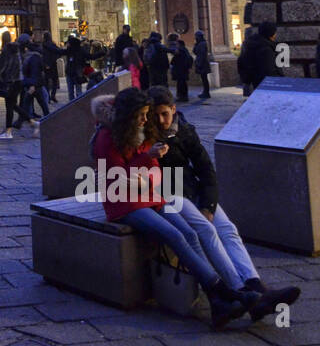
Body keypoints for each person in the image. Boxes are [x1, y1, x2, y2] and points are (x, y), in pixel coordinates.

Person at [89, 87, 253, 330]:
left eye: (147, 114)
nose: (146, 120)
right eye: (142, 115)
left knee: (190, 233)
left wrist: (149, 170)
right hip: (125, 203)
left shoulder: (141, 132)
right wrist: (146, 164)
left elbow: (156, 170)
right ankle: (221, 291)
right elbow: (118, 179)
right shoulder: (106, 138)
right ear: (128, 115)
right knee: (174, 235)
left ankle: (217, 300)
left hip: (150, 196)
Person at [143, 85, 301, 320]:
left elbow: (206, 170)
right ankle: (241, 290)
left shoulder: (184, 130)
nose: (160, 120)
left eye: (165, 114)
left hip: (192, 190)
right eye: (155, 115)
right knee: (206, 231)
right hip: (169, 193)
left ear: (174, 110)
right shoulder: (146, 136)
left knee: (227, 229)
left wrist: (208, 205)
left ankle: (255, 284)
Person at [0, 31, 26, 136]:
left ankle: (8, 132)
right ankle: (32, 122)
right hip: (18, 80)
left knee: (10, 106)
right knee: (12, 105)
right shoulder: (16, 49)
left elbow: (1, 67)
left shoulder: (6, 49)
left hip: (10, 81)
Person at [237, 21, 281, 93]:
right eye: (275, 33)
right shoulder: (266, 48)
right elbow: (269, 69)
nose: (275, 35)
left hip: (251, 82)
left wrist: (245, 79)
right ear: (271, 34)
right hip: (266, 85)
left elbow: (240, 62)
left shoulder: (248, 44)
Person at [40, 31, 64, 104]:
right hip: (53, 65)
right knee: (54, 81)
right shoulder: (53, 44)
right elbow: (58, 52)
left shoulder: (43, 45)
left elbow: (43, 56)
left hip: (47, 66)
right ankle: (53, 96)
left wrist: (45, 64)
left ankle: (49, 97)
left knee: (47, 82)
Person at [64, 35, 87, 100]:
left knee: (75, 92)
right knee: (76, 91)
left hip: (75, 73)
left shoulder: (78, 50)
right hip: (73, 72)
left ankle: (76, 104)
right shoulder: (69, 50)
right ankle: (77, 104)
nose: (67, 44)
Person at [170, 38, 193, 103]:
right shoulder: (185, 50)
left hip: (180, 70)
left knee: (181, 84)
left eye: (177, 44)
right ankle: (183, 96)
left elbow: (175, 60)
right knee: (183, 83)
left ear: (179, 44)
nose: (176, 45)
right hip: (183, 70)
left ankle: (182, 97)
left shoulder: (181, 51)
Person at [193, 30, 212, 100]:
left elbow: (202, 55)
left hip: (203, 63)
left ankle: (206, 92)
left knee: (204, 79)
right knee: (203, 78)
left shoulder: (203, 44)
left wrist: (199, 63)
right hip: (201, 62)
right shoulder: (199, 44)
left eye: (196, 36)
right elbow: (195, 51)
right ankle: (205, 92)